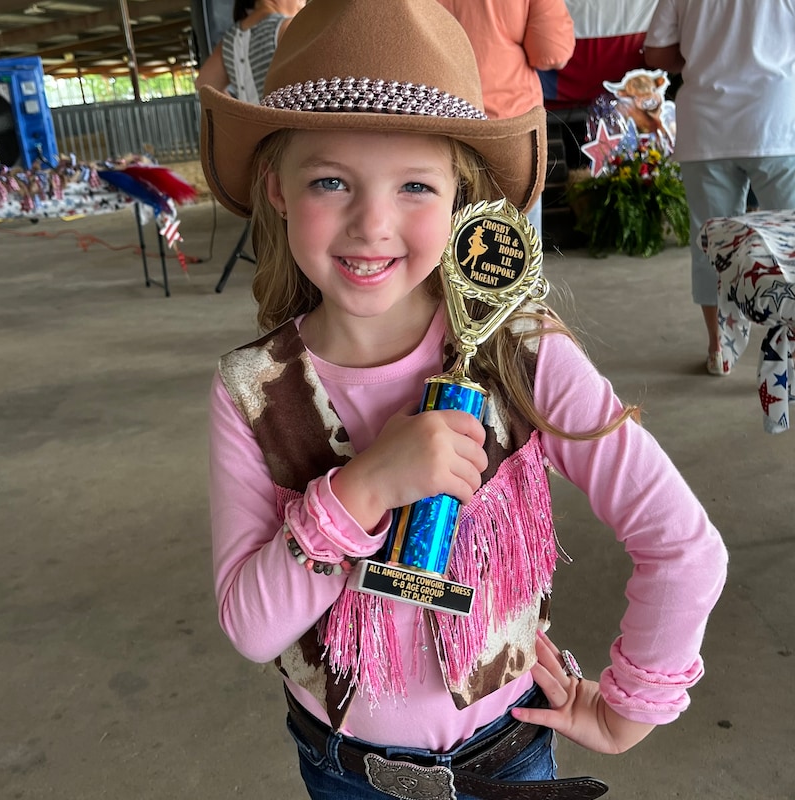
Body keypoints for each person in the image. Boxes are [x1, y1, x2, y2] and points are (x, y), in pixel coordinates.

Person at [201, 1, 728, 798]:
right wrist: (362, 488)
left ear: (461, 197)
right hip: (341, 770)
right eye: (330, 181)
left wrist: (633, 706)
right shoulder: (252, 390)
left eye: (415, 184)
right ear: (275, 187)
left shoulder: (523, 354)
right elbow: (251, 625)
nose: (372, 223)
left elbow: (683, 543)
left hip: (504, 756)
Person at [644, 0, 795, 376]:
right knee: (790, 245)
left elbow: (656, 53)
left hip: (706, 126)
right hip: (776, 123)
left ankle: (719, 348)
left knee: (713, 243)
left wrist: (706, 53)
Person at [435, 0, 575, 240]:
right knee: (514, 244)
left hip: (436, 117)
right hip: (508, 124)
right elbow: (553, 53)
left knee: (440, 237)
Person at [194, 0, 304, 103]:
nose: (302, 4)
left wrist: (237, 110)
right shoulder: (287, 27)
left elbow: (203, 82)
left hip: (247, 117)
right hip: (284, 117)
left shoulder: (230, 39)